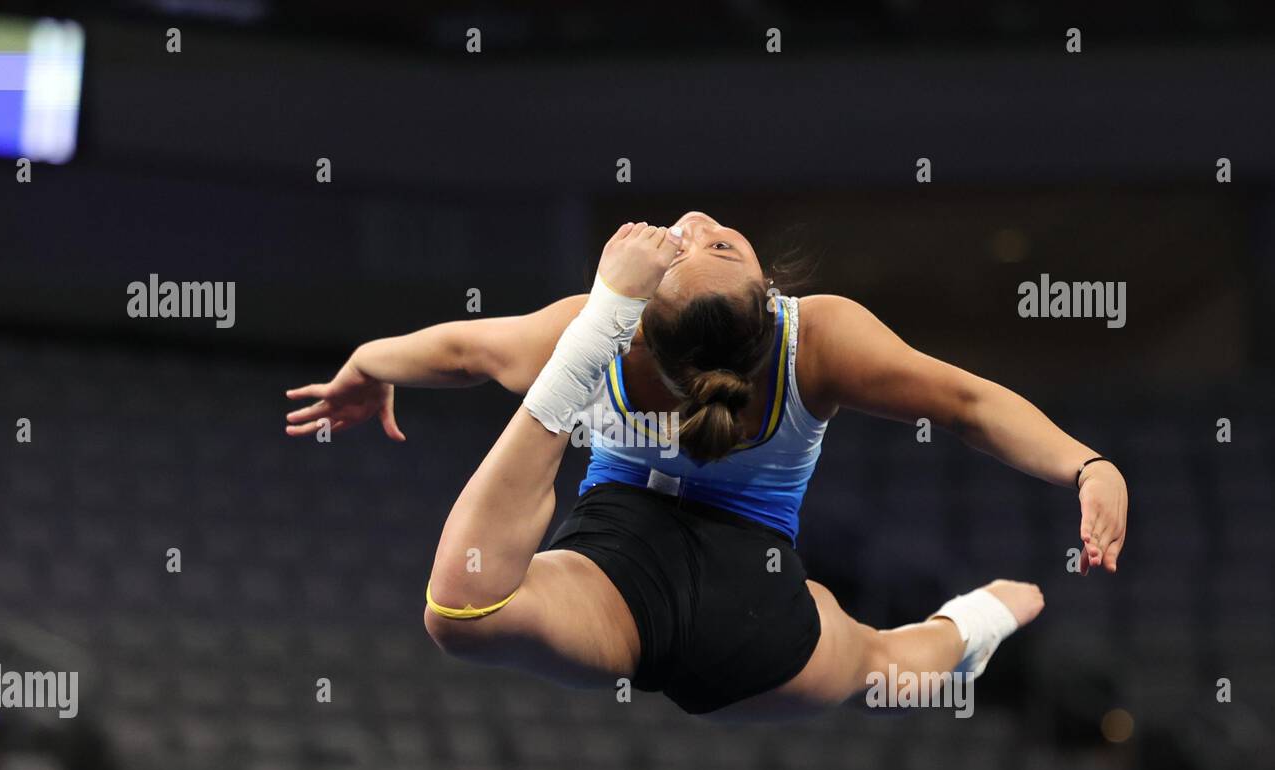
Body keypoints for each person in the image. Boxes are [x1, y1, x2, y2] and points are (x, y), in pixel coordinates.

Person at [285, 213, 1128, 721]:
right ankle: (971, 630)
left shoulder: (810, 340)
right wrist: (375, 360)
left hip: (750, 607)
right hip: (620, 575)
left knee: (882, 663)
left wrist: (1084, 464)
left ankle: (971, 627)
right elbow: (463, 350)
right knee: (458, 614)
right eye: (708, 239)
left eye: (706, 242)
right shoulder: (606, 330)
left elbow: (967, 405)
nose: (694, 225)